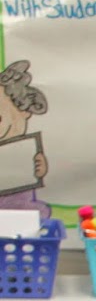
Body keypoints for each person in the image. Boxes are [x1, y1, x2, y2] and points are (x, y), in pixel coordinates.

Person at [0, 60, 49, 220]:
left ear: (23, 111)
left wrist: (39, 168)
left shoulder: (24, 150)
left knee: (32, 215)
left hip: (19, 205)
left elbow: (37, 172)